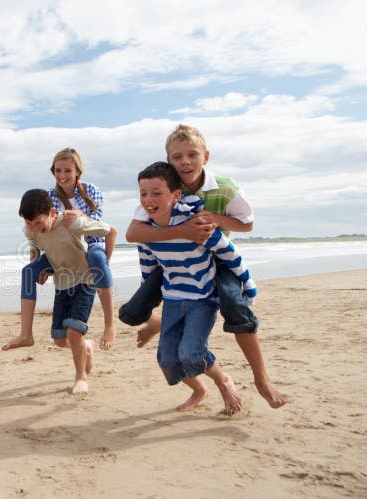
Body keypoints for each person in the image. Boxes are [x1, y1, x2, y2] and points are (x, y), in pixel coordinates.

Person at [119, 125, 288, 409]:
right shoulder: (164, 186)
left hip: (215, 259)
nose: (185, 161)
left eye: (192, 155)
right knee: (132, 312)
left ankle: (262, 379)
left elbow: (247, 224)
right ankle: (160, 323)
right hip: (175, 256)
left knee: (236, 308)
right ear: (169, 160)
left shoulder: (224, 188)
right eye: (177, 157)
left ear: (205, 157)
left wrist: (216, 219)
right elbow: (135, 233)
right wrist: (184, 230)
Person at [134, 162, 254, 415]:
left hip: (203, 298)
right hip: (173, 298)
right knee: (167, 361)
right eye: (143, 193)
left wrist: (249, 286)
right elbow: (148, 264)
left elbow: (229, 253)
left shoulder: (196, 223)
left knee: (190, 354)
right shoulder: (147, 231)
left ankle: (223, 381)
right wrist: (150, 295)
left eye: (157, 192)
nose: (148, 199)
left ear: (175, 195)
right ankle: (199, 390)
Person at [3, 148, 117, 352]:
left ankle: (110, 324)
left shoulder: (91, 190)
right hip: (61, 247)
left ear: (77, 172)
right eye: (58, 170)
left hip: (90, 241)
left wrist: (79, 214)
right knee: (28, 271)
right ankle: (25, 334)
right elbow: (39, 235)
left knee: (97, 260)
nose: (62, 175)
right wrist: (38, 266)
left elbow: (100, 224)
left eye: (67, 171)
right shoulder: (48, 196)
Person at [17, 189, 112, 395]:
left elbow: (109, 230)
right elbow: (35, 243)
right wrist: (37, 264)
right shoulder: (31, 229)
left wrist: (81, 216)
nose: (34, 228)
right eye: (29, 223)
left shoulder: (70, 223)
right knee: (60, 340)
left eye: (39, 223)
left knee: (73, 331)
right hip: (62, 283)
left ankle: (81, 378)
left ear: (52, 212)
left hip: (84, 281)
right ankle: (85, 347)